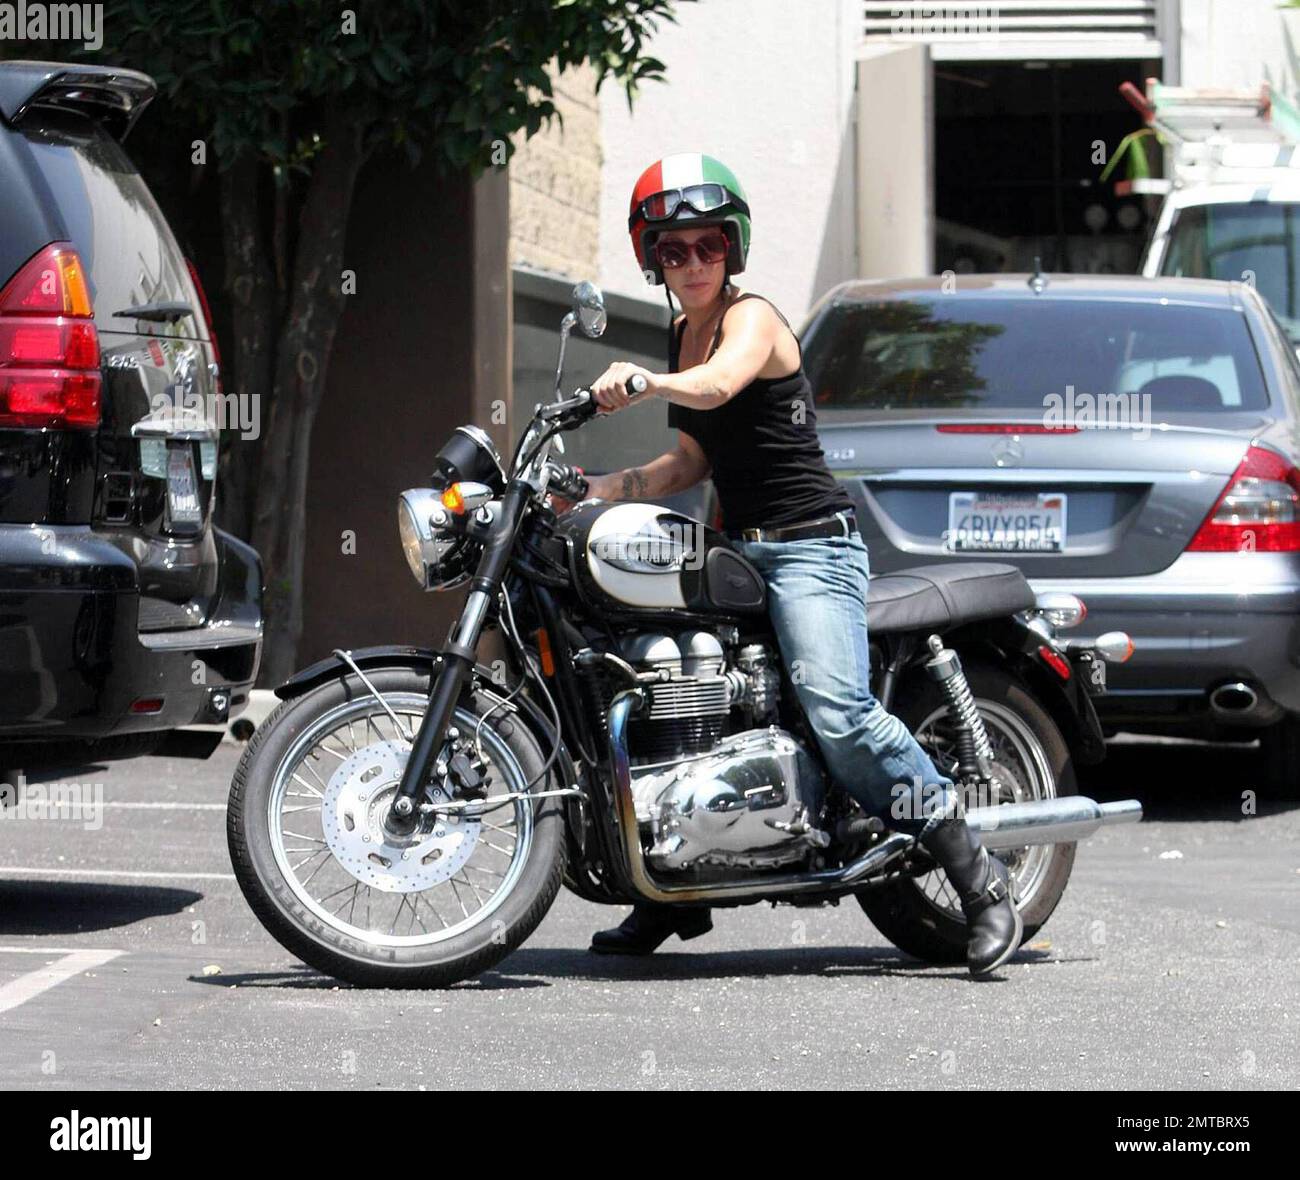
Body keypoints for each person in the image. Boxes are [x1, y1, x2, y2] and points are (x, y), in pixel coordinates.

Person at [574, 153, 1021, 977]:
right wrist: (601, 487)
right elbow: (689, 459)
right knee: (670, 684)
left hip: (812, 546)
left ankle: (978, 878)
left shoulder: (753, 320)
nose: (694, 262)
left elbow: (718, 386)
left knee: (841, 713)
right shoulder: (682, 330)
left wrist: (641, 381)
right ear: (653, 259)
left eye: (708, 245)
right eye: (674, 251)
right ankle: (676, 885)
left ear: (732, 248)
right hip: (739, 548)